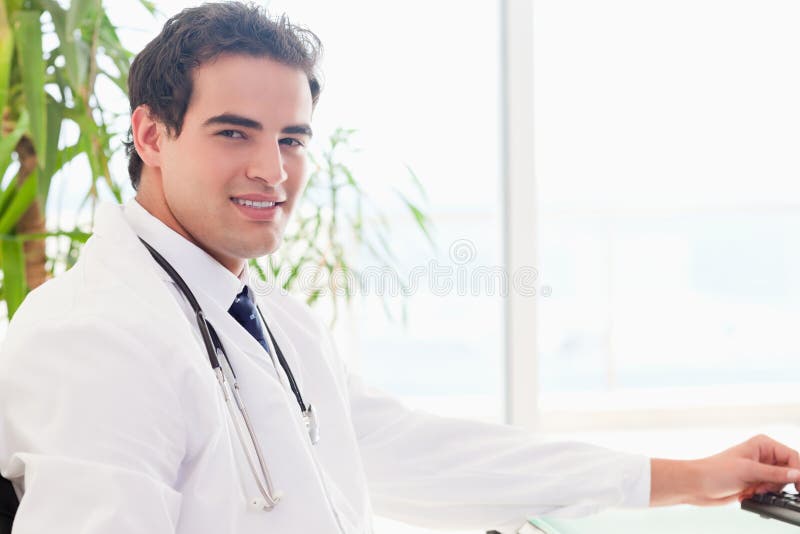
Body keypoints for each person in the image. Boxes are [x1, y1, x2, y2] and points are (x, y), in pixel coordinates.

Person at [0, 3, 797, 533]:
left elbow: (406, 448)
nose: (273, 172)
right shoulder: (93, 335)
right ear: (151, 136)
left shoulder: (268, 316)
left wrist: (690, 477)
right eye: (234, 133)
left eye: (292, 139)